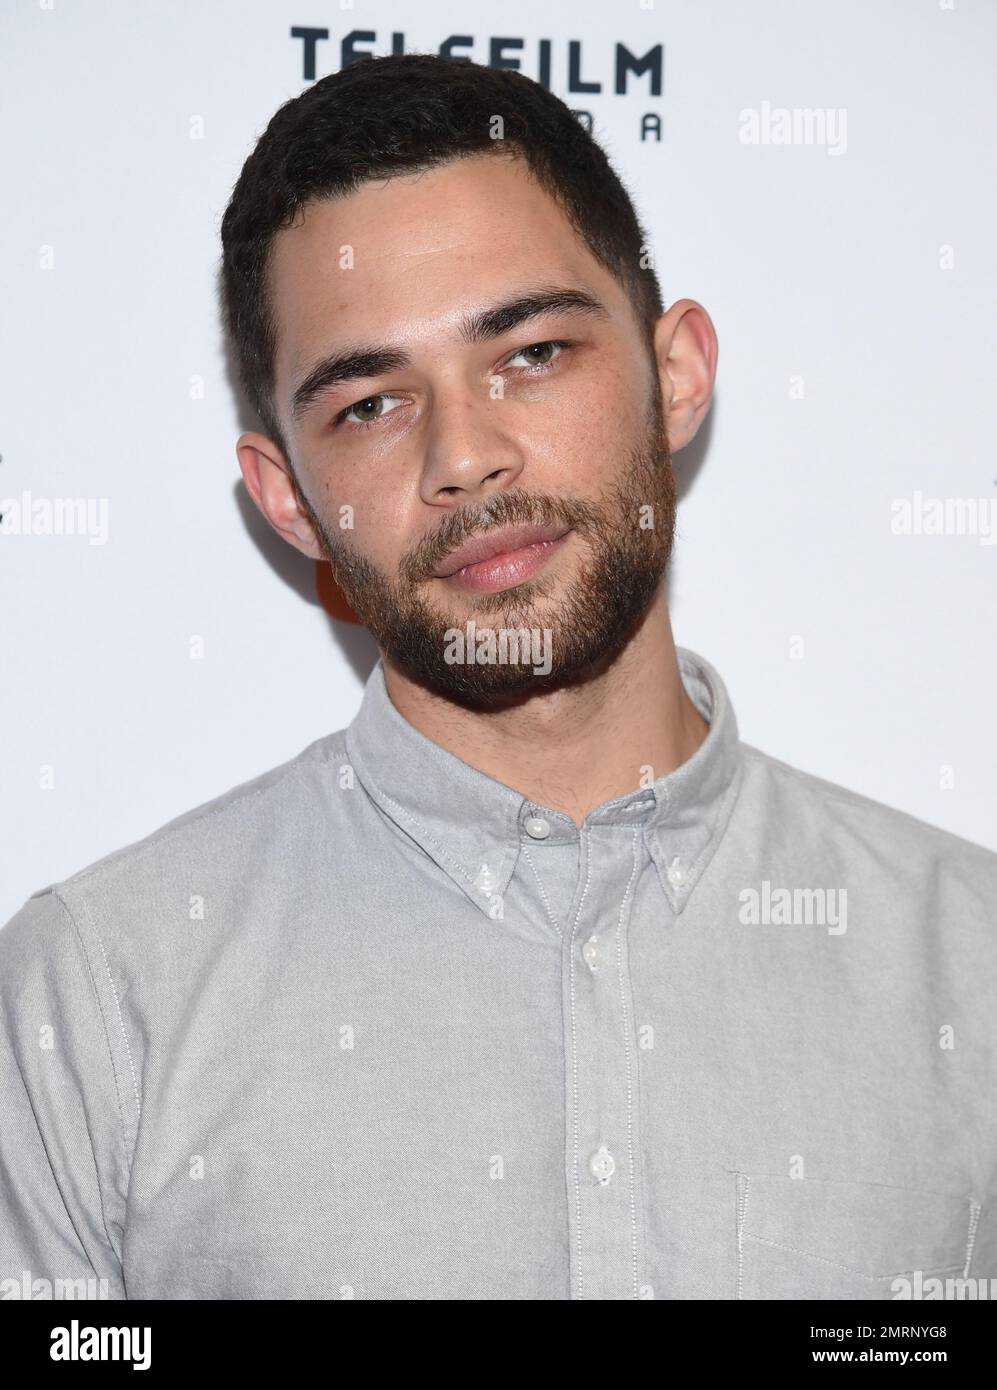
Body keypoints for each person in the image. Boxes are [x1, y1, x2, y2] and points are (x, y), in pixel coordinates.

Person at [2, 53, 995, 1303]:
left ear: (675, 372)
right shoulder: (96, 1004)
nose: (464, 454)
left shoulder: (971, 964)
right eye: (368, 403)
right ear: (285, 499)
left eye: (530, 351)